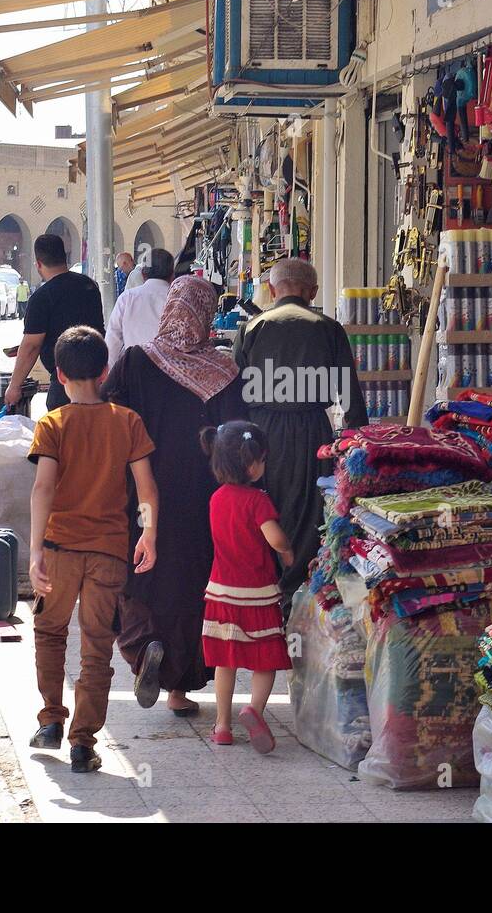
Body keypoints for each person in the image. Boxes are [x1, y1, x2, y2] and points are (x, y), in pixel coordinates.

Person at [102, 276, 247, 717]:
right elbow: (237, 439)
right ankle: (179, 690)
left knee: (140, 575)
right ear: (204, 316)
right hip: (203, 501)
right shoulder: (224, 372)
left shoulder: (135, 361)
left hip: (143, 493)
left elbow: (110, 418)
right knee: (190, 588)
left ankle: (144, 647)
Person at [26, 325, 158, 773]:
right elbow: (146, 489)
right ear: (104, 370)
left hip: (59, 547)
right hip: (109, 551)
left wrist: (35, 550)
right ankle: (84, 742)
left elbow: (43, 487)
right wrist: (149, 533)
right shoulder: (127, 421)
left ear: (58, 375)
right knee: (97, 644)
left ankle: (50, 721)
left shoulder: (52, 424)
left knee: (50, 632)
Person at [233, 258, 367, 615]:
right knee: (310, 508)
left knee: (266, 506)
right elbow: (349, 396)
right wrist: (359, 447)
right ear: (313, 292)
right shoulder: (328, 328)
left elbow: (235, 392)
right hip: (312, 430)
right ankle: (298, 593)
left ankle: (267, 591)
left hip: (260, 433)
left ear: (272, 291)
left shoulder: (251, 328)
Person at [197, 421, 293, 753]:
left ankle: (222, 725)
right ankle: (255, 710)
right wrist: (287, 550)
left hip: (221, 592)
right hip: (258, 595)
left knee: (226, 662)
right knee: (264, 660)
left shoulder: (215, 499)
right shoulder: (258, 501)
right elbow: (275, 538)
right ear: (252, 464)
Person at [4, 233, 104, 413]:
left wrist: (14, 386)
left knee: (64, 436)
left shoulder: (42, 297)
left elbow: (31, 346)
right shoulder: (89, 286)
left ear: (38, 264)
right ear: (64, 258)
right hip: (97, 381)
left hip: (65, 385)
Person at [104, 247, 174, 363]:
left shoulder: (127, 299)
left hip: (134, 371)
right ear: (172, 275)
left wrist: (108, 377)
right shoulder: (178, 299)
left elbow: (112, 343)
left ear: (143, 274)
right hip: (171, 375)